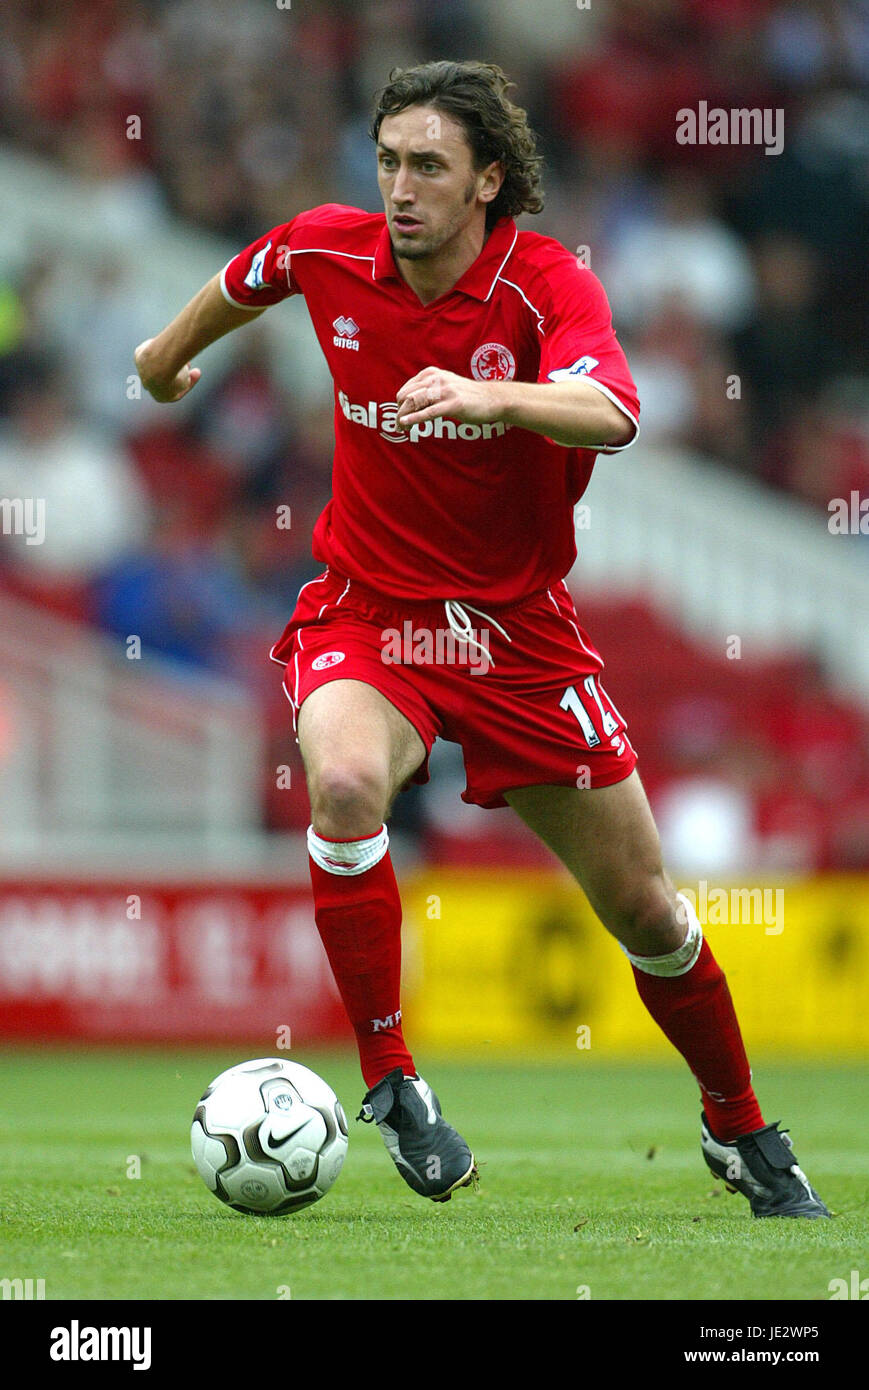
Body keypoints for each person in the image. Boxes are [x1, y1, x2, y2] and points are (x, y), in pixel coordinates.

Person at [135, 60, 828, 1218]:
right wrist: (162, 361)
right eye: (389, 162)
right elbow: (245, 277)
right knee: (346, 782)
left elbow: (614, 409)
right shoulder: (330, 246)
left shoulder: (542, 283)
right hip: (369, 612)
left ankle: (738, 1125)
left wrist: (489, 395)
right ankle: (392, 1080)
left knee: (648, 912)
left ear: (486, 181)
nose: (400, 189)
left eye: (429, 168)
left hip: (514, 636)